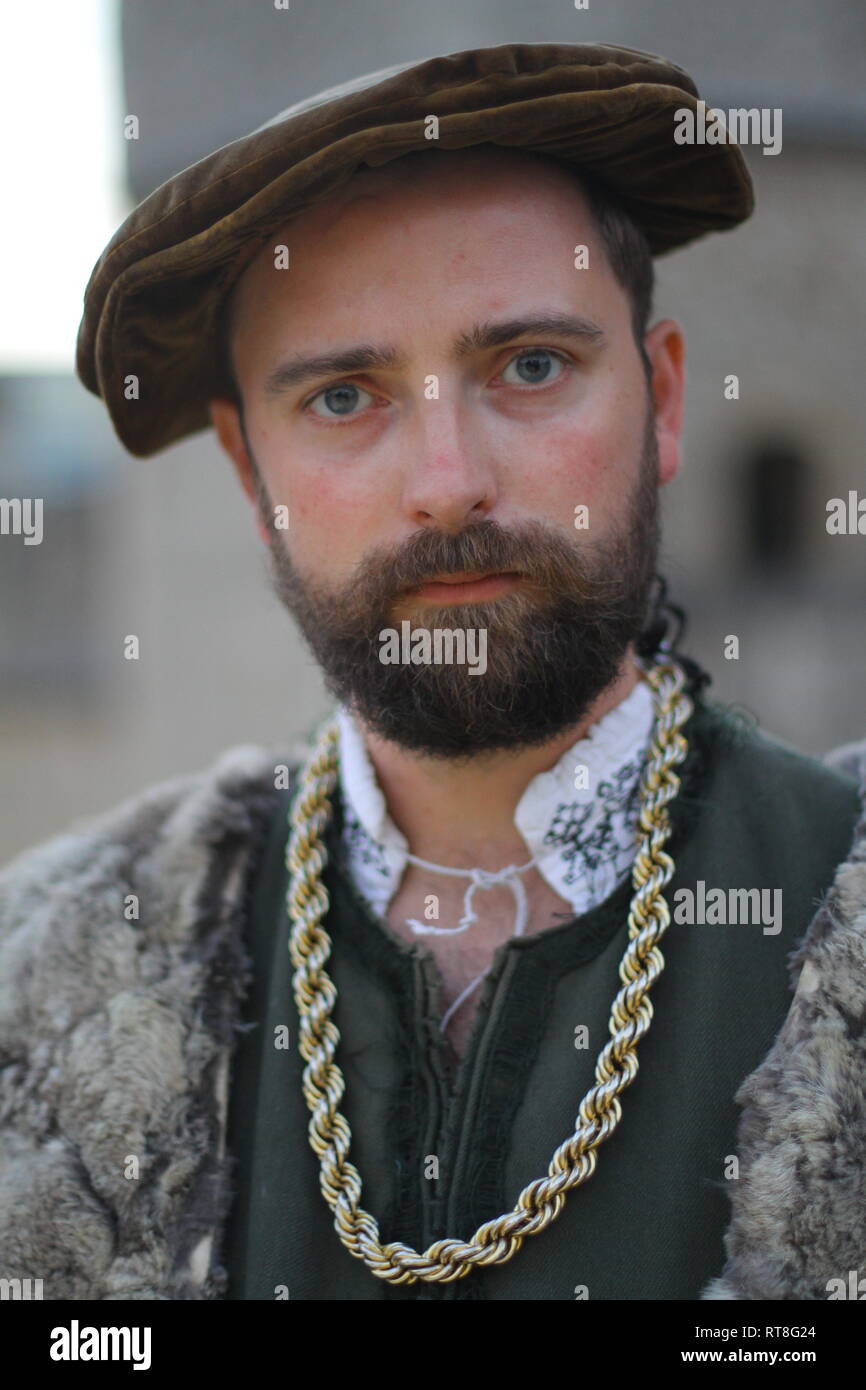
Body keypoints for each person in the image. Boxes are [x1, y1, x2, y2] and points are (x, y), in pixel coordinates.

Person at [1, 42, 864, 1303]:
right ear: (251, 479)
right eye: (344, 396)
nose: (447, 479)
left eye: (528, 365)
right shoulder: (36, 989)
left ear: (663, 401)